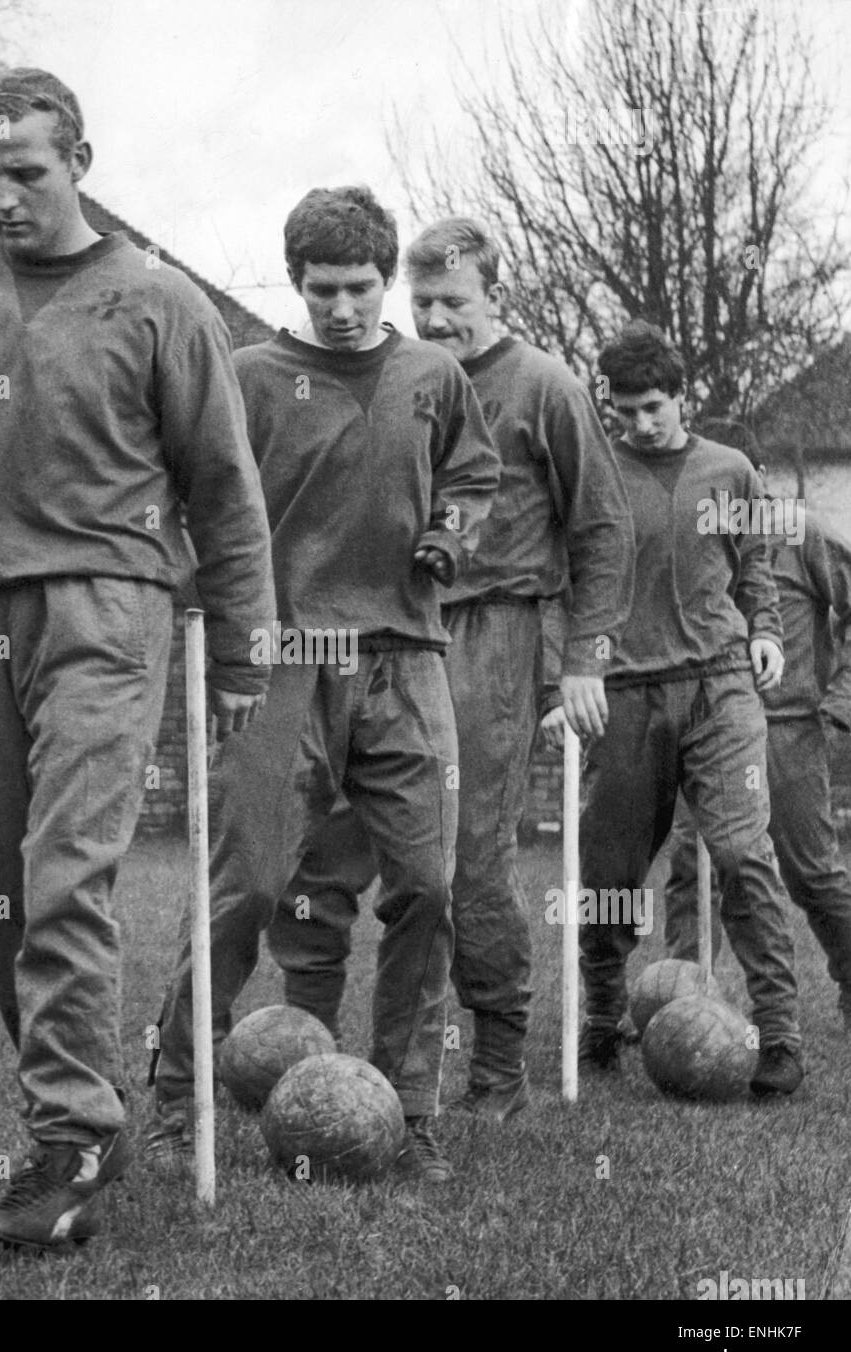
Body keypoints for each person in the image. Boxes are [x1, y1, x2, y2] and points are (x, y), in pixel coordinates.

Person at [0, 69, 275, 1249]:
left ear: (80, 159)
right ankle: (78, 1106)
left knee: (67, 874)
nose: (4, 195)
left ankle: (69, 1135)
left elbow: (224, 488)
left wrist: (242, 651)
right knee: (5, 899)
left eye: (25, 170)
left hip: (106, 612)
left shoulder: (159, 300)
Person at [147, 188, 501, 1182]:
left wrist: (451, 534)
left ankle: (409, 1108)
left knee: (428, 886)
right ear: (295, 283)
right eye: (322, 290)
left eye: (359, 288)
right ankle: (174, 1095)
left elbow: (475, 478)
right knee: (245, 888)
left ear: (386, 281)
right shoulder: (250, 378)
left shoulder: (433, 375)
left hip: (404, 659)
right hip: (285, 663)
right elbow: (193, 500)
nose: (342, 308)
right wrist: (217, 609)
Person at [265, 216, 635, 1120]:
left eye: (455, 303)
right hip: (370, 636)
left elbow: (602, 526)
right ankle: (307, 1054)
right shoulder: (400, 375)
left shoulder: (545, 386)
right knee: (323, 847)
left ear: (495, 296)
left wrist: (584, 660)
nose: (436, 319)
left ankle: (498, 1067)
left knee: (466, 859)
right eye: (422, 301)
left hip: (492, 635)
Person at [555, 321, 803, 1096]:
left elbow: (757, 566)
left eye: (653, 407)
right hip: (624, 694)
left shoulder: (731, 471)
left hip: (720, 683)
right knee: (612, 872)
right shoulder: (593, 475)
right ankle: (602, 1016)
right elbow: (566, 585)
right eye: (625, 410)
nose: (640, 423)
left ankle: (780, 1034)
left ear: (682, 396)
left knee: (742, 853)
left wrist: (766, 631)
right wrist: (562, 682)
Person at [660, 427, 851, 1032]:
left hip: (787, 730)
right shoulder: (693, 538)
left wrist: (840, 701)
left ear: (759, 477)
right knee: (693, 871)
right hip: (710, 728)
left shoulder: (803, 532)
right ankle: (684, 1004)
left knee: (810, 874)